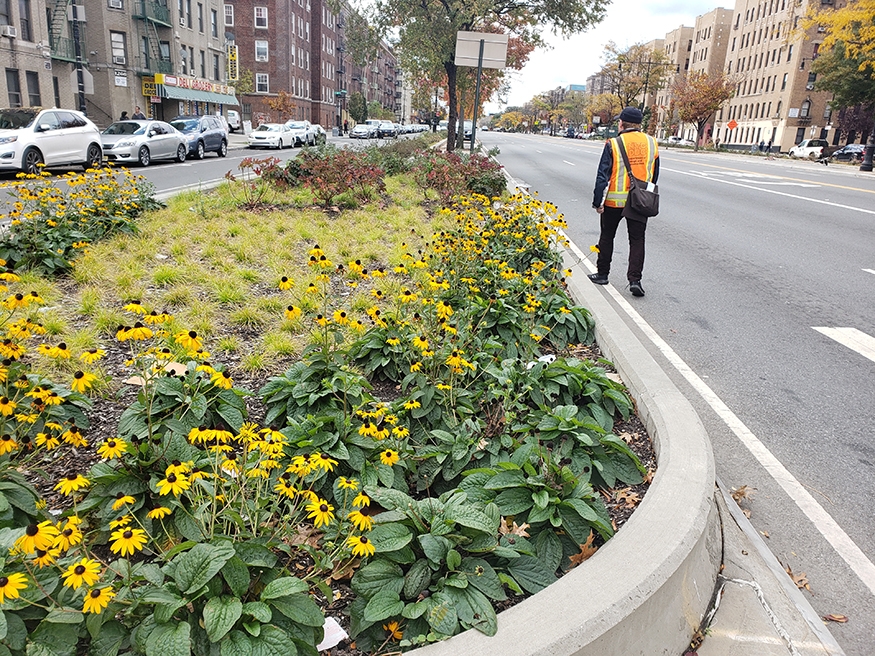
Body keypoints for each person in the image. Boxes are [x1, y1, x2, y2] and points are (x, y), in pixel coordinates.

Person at [590, 106, 660, 298]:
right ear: (639, 124)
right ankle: (635, 280)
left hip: (614, 201)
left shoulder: (613, 143)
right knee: (637, 240)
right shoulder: (652, 143)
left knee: (607, 236)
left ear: (621, 123)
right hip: (639, 201)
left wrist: (599, 202)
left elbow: (602, 176)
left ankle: (603, 274)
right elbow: (654, 175)